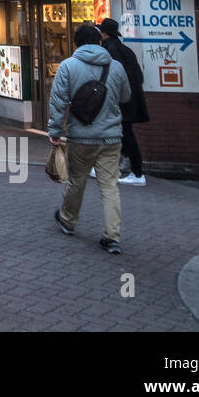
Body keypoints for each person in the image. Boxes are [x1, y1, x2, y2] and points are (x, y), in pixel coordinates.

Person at [49, 23, 133, 254]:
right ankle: (112, 236)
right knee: (110, 186)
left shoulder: (68, 66)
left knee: (77, 181)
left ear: (75, 43)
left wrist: (55, 132)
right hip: (111, 137)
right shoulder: (115, 67)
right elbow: (126, 96)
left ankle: (68, 220)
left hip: (81, 137)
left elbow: (57, 102)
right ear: (99, 42)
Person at [99, 18, 149, 185]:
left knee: (123, 135)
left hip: (119, 101)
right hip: (130, 100)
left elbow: (112, 77)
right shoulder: (126, 50)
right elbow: (139, 76)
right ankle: (126, 164)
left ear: (105, 32)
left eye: (101, 30)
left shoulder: (109, 51)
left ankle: (137, 172)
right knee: (122, 133)